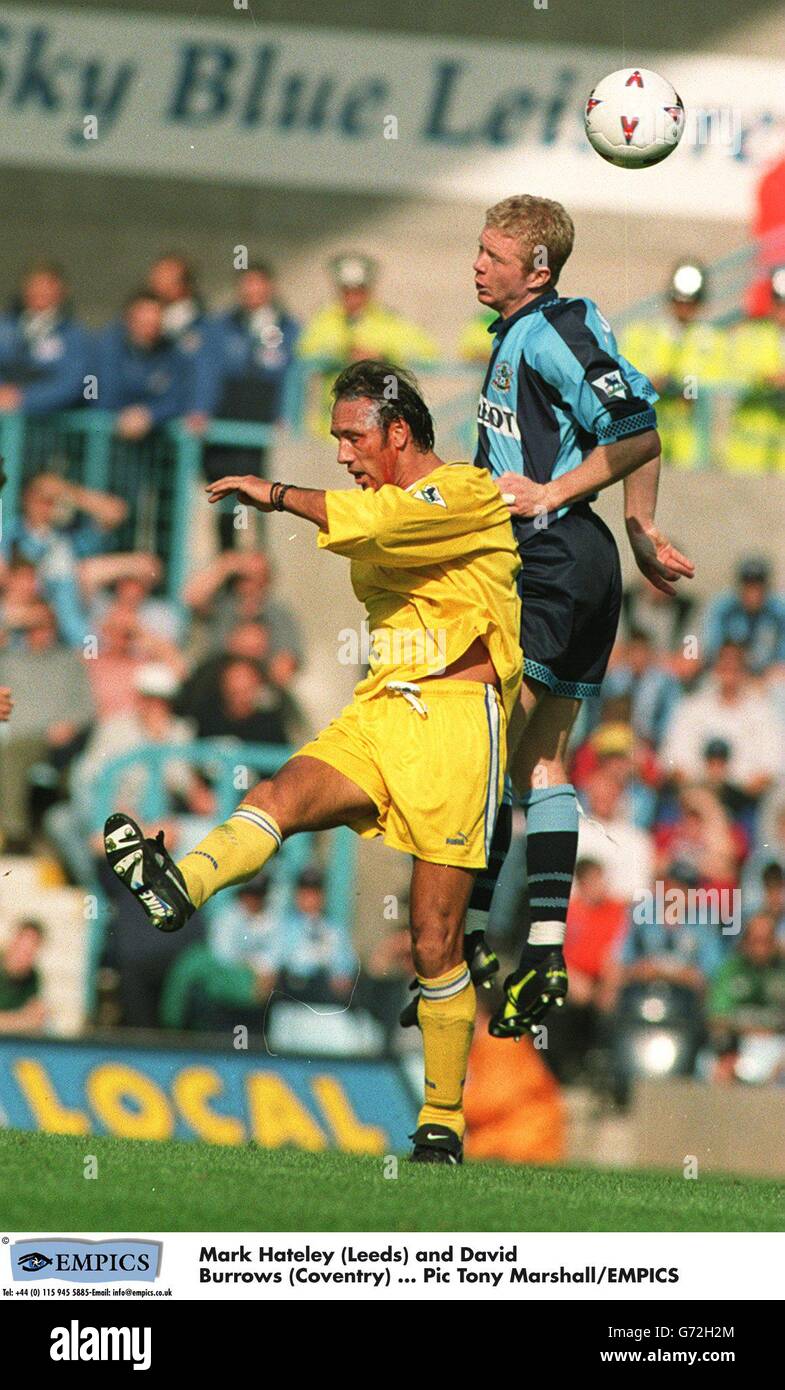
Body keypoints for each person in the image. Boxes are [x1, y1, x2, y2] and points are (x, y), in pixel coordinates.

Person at [104, 359, 523, 1164]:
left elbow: (379, 528)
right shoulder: (379, 502)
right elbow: (370, 523)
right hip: (380, 708)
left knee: (433, 938)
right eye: (333, 437)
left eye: (350, 435)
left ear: (399, 432)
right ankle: (176, 886)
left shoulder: (466, 491)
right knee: (282, 792)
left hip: (453, 722)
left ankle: (441, 1119)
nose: (340, 452)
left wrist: (273, 492)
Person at [440, 194, 693, 1040]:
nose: (476, 264)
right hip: (575, 560)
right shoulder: (523, 332)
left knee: (478, 744)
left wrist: (554, 493)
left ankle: (470, 936)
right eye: (476, 249)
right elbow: (634, 433)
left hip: (547, 560)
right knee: (536, 761)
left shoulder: (556, 326)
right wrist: (638, 524)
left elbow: (635, 427)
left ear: (535, 268)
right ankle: (542, 948)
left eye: (490, 253)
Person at [194, 262, 300, 549]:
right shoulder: (222, 327)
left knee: (266, 501)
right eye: (247, 284)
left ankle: (257, 574)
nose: (252, 291)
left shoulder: (287, 329)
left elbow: (293, 375)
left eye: (258, 283)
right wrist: (201, 410)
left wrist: (285, 415)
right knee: (226, 500)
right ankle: (227, 567)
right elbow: (208, 371)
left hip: (262, 429)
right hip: (227, 428)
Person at [299, 255, 437, 436]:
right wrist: (343, 353)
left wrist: (382, 357)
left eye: (358, 291)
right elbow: (305, 350)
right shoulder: (325, 318)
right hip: (330, 427)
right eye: (346, 291)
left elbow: (427, 353)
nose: (352, 298)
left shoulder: (388, 320)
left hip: (377, 425)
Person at [619, 261, 728, 470]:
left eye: (691, 302)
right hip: (647, 434)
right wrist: (650, 383)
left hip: (692, 443)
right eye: (680, 301)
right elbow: (625, 373)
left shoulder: (713, 339)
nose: (685, 308)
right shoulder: (642, 334)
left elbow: (718, 380)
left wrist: (688, 386)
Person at [0, 261, 90, 416]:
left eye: (47, 286)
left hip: (48, 429)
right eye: (35, 285)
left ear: (62, 291)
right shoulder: (6, 326)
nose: (40, 292)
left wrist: (25, 399)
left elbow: (73, 383)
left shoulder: (74, 336)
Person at [702, 555, 785, 675]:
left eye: (758, 586)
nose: (753, 593)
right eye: (748, 586)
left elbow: (782, 658)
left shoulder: (778, 611)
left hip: (768, 676)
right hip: (730, 673)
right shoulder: (723, 608)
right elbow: (711, 649)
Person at [0, 919, 47, 1034]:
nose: (25, 955)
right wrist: (22, 1021)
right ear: (14, 942)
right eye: (23, 948)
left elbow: (36, 1018)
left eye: (31, 950)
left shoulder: (32, 977)